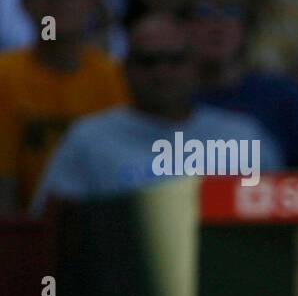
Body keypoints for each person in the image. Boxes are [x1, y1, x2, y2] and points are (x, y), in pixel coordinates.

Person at [30, 13, 281, 214]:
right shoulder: (88, 140)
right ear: (125, 69)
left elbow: (279, 226)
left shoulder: (244, 138)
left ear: (194, 67)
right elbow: (50, 230)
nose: (162, 73)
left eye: (175, 60)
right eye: (148, 61)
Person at [0, 0, 128, 211]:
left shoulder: (115, 77)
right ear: (25, 3)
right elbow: (4, 185)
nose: (57, 2)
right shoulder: (6, 77)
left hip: (105, 223)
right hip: (31, 230)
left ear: (90, 3)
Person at [184, 0, 298, 165]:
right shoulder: (168, 98)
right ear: (181, 25)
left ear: (247, 27)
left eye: (231, 13)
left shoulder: (282, 97)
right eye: (204, 12)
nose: (218, 25)